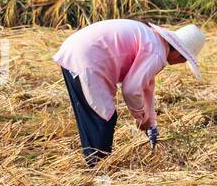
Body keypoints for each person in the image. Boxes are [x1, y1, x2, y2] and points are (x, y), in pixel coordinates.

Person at [53, 19, 205, 165]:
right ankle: (99, 175)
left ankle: (96, 170)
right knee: (103, 119)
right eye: (185, 60)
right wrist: (140, 117)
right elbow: (131, 90)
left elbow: (146, 87)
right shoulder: (157, 53)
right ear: (180, 53)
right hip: (87, 59)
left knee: (96, 119)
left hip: (78, 51)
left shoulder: (155, 42)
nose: (182, 63)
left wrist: (150, 122)